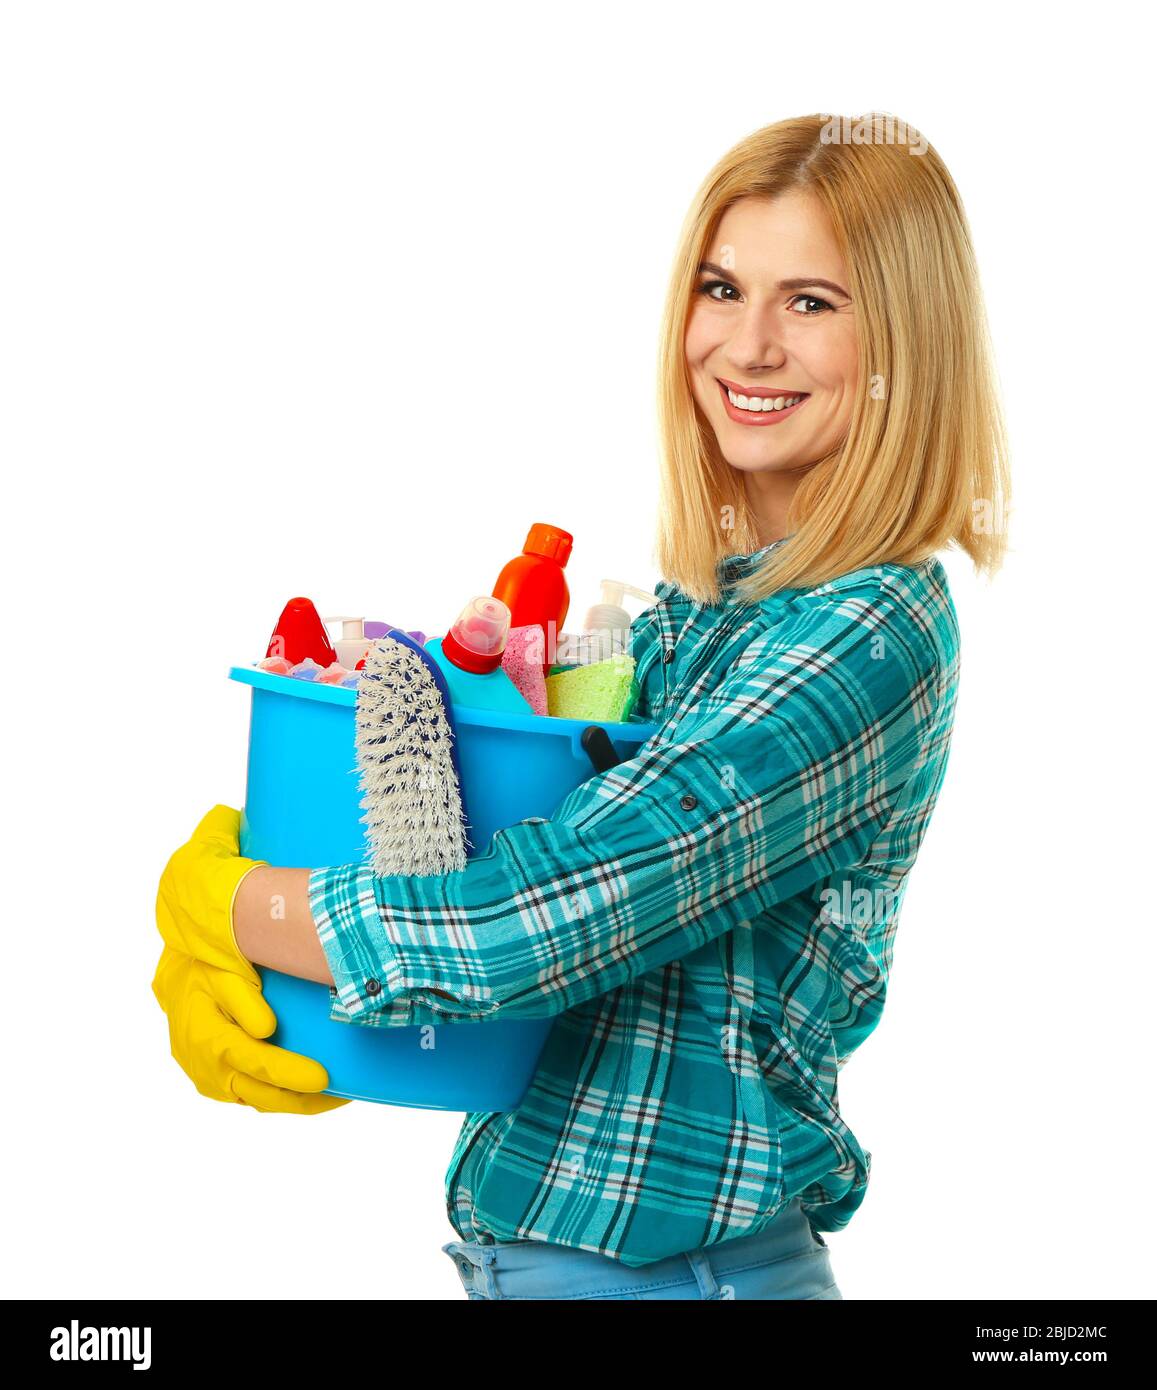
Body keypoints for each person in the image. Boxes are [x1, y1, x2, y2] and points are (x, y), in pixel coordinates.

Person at [152, 111, 1009, 1300]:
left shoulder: (863, 632)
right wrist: (307, 1009)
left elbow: (526, 927)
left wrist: (237, 906)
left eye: (812, 302)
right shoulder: (689, 623)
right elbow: (514, 917)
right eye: (722, 288)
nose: (748, 344)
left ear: (902, 348)